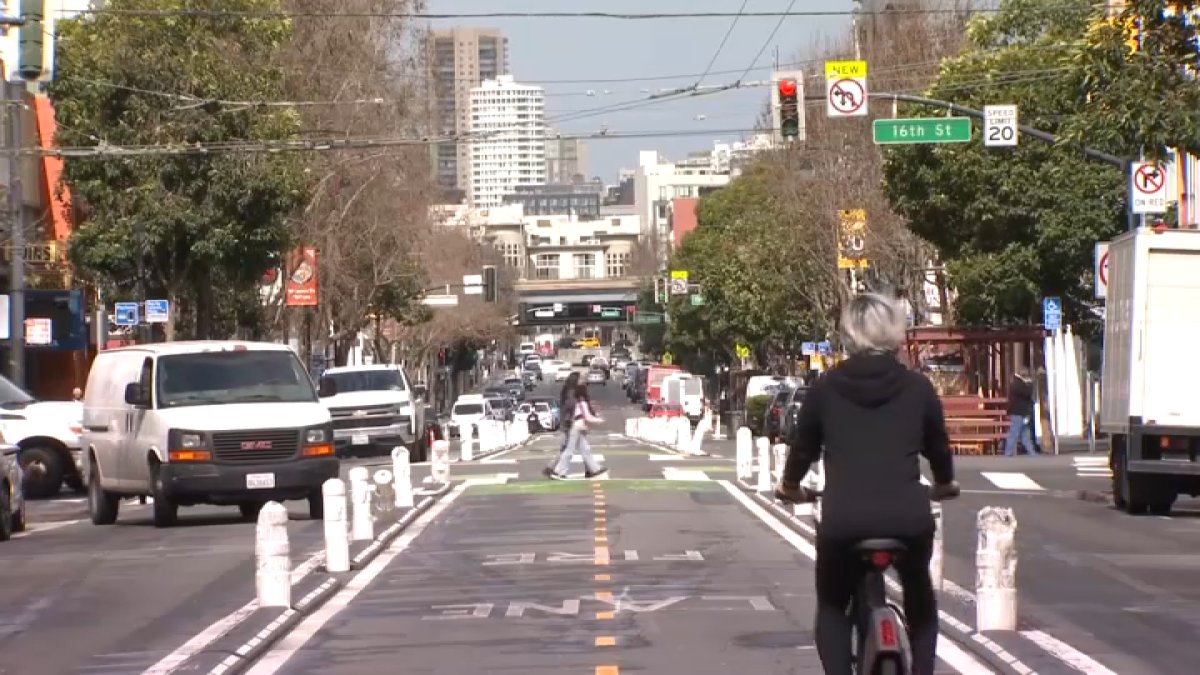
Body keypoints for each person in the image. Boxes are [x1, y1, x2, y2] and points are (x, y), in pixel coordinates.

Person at [775, 293, 959, 675]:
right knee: (919, 597)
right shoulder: (918, 388)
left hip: (844, 520)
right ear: (894, 332)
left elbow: (802, 449)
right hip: (907, 518)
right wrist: (944, 483)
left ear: (848, 335)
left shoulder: (825, 388)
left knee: (831, 604)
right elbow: (939, 449)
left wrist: (790, 486)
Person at [549, 383, 608, 479]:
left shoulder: (577, 402)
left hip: (578, 428)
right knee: (569, 450)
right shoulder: (582, 403)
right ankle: (558, 471)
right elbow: (587, 417)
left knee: (585, 450)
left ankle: (595, 469)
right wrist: (599, 420)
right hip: (576, 428)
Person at [542, 371, 581, 477]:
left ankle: (552, 467)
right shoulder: (571, 392)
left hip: (569, 423)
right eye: (581, 378)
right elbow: (570, 405)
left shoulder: (569, 390)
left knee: (569, 448)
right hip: (570, 423)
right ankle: (557, 470)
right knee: (568, 449)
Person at [1003, 368, 1039, 456]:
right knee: (1014, 433)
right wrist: (1029, 383)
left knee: (1024, 435)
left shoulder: (1017, 383)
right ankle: (1008, 453)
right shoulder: (1018, 383)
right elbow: (1027, 392)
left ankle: (1032, 452)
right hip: (1018, 412)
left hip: (1021, 413)